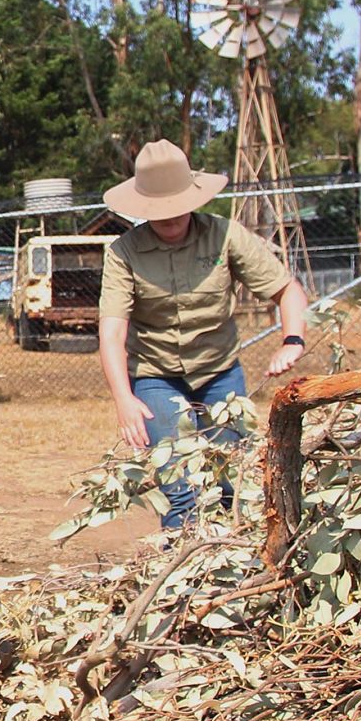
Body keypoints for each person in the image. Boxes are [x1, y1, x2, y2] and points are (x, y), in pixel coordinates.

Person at [97, 140, 308, 530]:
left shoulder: (226, 236)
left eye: (176, 205)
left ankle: (233, 567)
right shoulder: (123, 252)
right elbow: (111, 332)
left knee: (233, 479)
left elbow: (286, 290)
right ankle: (181, 576)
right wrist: (123, 398)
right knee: (179, 487)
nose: (170, 217)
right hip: (155, 375)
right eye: (159, 210)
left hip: (220, 372)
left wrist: (292, 339)